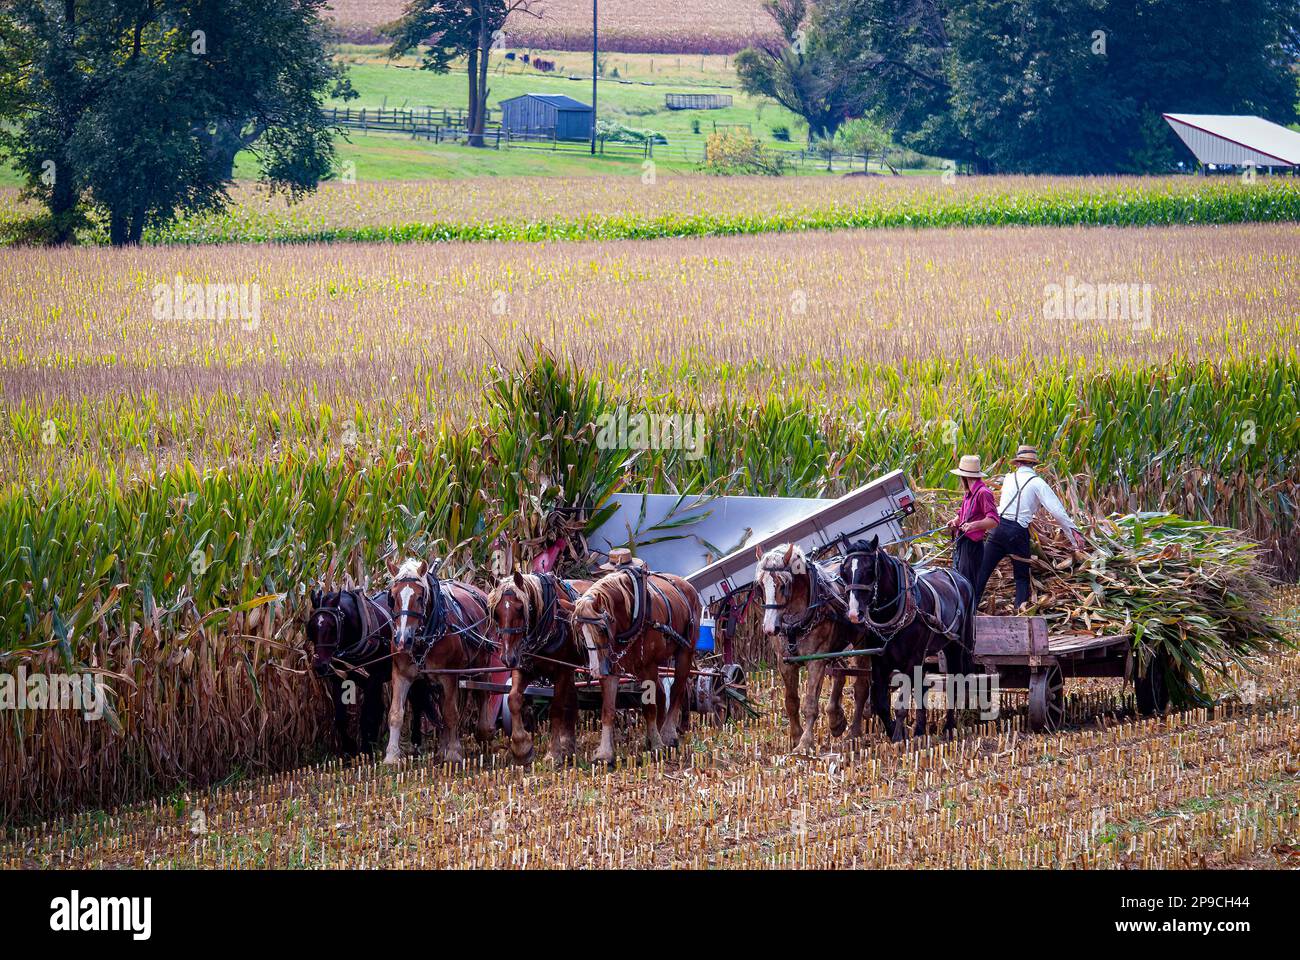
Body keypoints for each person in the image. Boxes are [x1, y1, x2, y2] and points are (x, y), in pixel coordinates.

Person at [971, 445, 1086, 611]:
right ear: (1033, 464)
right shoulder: (1038, 483)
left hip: (997, 528)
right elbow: (1056, 511)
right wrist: (1072, 532)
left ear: (1017, 463)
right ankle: (1020, 613)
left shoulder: (1009, 478)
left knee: (982, 571)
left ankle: (969, 611)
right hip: (1017, 533)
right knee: (1021, 577)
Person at [947, 454, 999, 586]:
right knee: (960, 582)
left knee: (967, 585)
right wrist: (955, 522)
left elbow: (994, 520)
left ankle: (971, 607)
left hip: (972, 547)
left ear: (963, 476)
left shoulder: (983, 492)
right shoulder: (969, 493)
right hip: (963, 543)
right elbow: (962, 514)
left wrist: (973, 526)